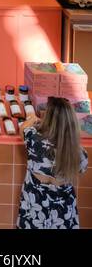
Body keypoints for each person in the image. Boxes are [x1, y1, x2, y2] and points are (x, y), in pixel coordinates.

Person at [17, 98, 87, 229]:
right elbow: (81, 170)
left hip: (34, 208)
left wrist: (33, 119)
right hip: (63, 211)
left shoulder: (35, 141)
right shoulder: (79, 153)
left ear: (48, 118)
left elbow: (23, 128)